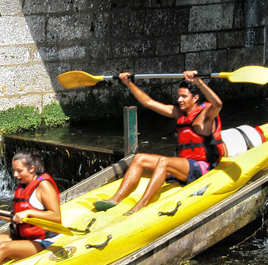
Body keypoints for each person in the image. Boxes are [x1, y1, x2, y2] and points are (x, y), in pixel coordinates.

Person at [93, 71, 225, 216]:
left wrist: (198, 82)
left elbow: (218, 104)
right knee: (139, 158)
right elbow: (148, 102)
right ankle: (114, 200)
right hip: (184, 165)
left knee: (164, 162)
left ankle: (141, 205)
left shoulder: (206, 115)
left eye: (184, 96)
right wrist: (128, 83)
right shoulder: (178, 113)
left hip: (202, 166)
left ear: (195, 98)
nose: (179, 100)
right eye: (178, 96)